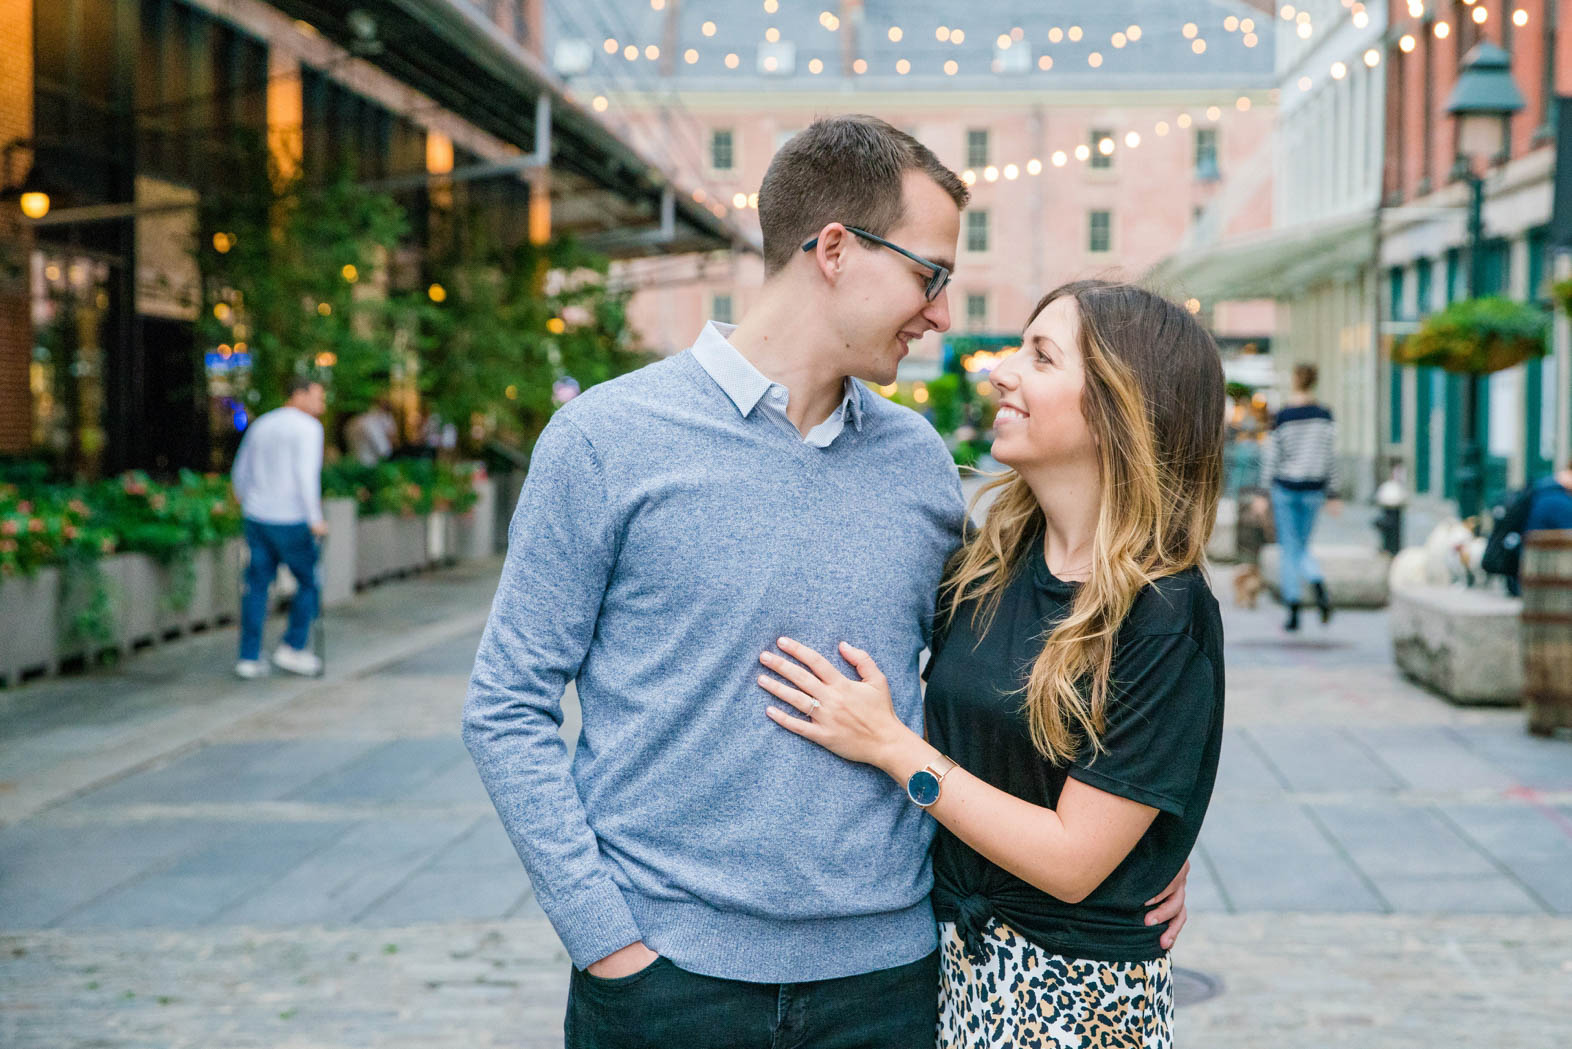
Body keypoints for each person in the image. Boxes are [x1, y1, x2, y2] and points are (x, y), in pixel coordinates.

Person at [462, 117, 1188, 1049]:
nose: (939, 314)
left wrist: (1130, 843)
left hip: (889, 983)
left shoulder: (919, 462)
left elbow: (1010, 679)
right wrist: (606, 939)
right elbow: (505, 704)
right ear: (836, 249)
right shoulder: (605, 440)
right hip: (664, 983)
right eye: (930, 275)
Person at [758, 281, 1225, 1048]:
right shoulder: (989, 562)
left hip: (1073, 997)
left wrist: (891, 746)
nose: (1002, 373)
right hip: (948, 966)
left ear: (1122, 406)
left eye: (1040, 357)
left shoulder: (1164, 609)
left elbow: (1073, 860)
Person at [230, 377, 328, 679]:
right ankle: (293, 647)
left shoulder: (262, 424)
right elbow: (306, 476)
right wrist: (315, 518)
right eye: (317, 397)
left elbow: (240, 472)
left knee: (256, 585)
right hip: (292, 518)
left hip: (257, 516)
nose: (321, 404)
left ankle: (248, 656)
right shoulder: (309, 428)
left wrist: (248, 501)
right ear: (299, 394)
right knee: (309, 582)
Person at [1261, 362, 1341, 631]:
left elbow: (1272, 457)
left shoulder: (1283, 416)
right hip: (1314, 489)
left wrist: (1263, 492)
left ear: (1295, 380)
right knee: (1302, 547)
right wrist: (1333, 492)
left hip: (1285, 488)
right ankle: (1317, 585)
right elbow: (1330, 457)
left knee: (1289, 548)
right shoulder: (1325, 416)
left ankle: (1294, 608)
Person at [345, 397, 397, 467]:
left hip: (353, 464)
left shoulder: (352, 422)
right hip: (370, 466)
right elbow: (384, 451)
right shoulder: (372, 423)